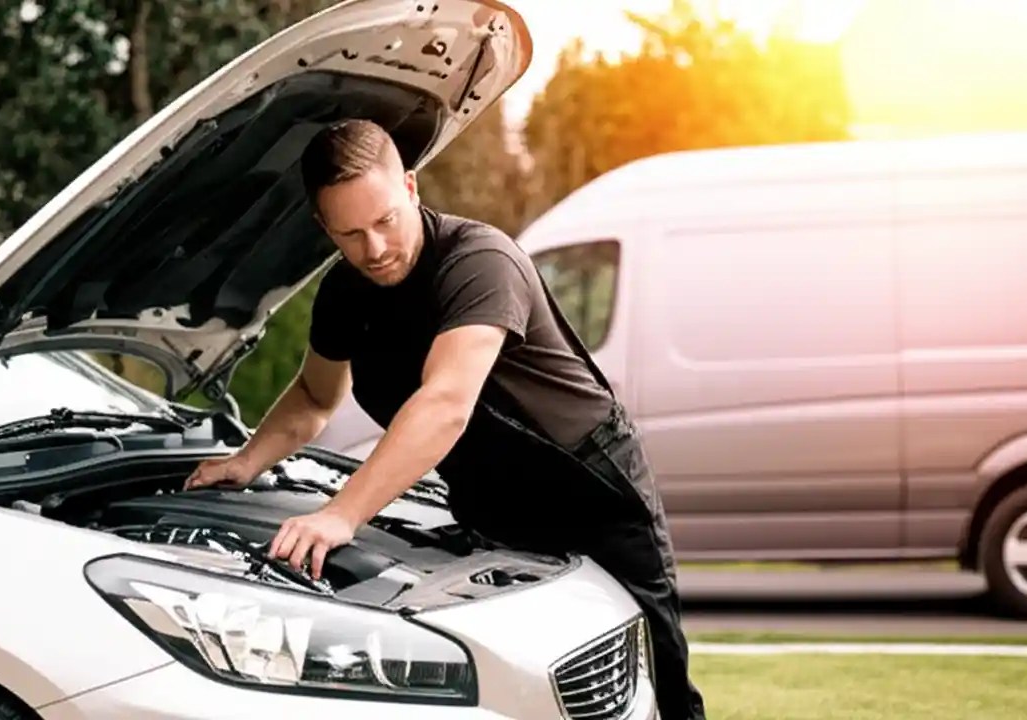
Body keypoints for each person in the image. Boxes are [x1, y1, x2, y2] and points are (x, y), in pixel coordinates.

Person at [183, 119, 706, 719]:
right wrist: (245, 462)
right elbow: (313, 395)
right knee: (517, 689)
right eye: (350, 234)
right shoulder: (344, 295)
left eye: (384, 221)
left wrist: (340, 514)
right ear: (323, 227)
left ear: (410, 187)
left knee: (654, 688)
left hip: (590, 494)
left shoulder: (479, 261)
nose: (374, 249)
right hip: (492, 509)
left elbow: (445, 404)